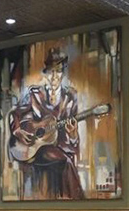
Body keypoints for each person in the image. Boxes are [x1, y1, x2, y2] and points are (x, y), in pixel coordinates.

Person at [8, 47, 85, 199]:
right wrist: (18, 131)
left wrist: (73, 134)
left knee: (66, 159)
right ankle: (77, 202)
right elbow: (15, 114)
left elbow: (73, 138)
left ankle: (72, 202)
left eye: (59, 71)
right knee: (66, 162)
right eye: (51, 72)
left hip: (59, 146)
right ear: (45, 73)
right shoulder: (34, 94)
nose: (55, 77)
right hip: (33, 149)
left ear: (63, 74)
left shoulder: (70, 97)